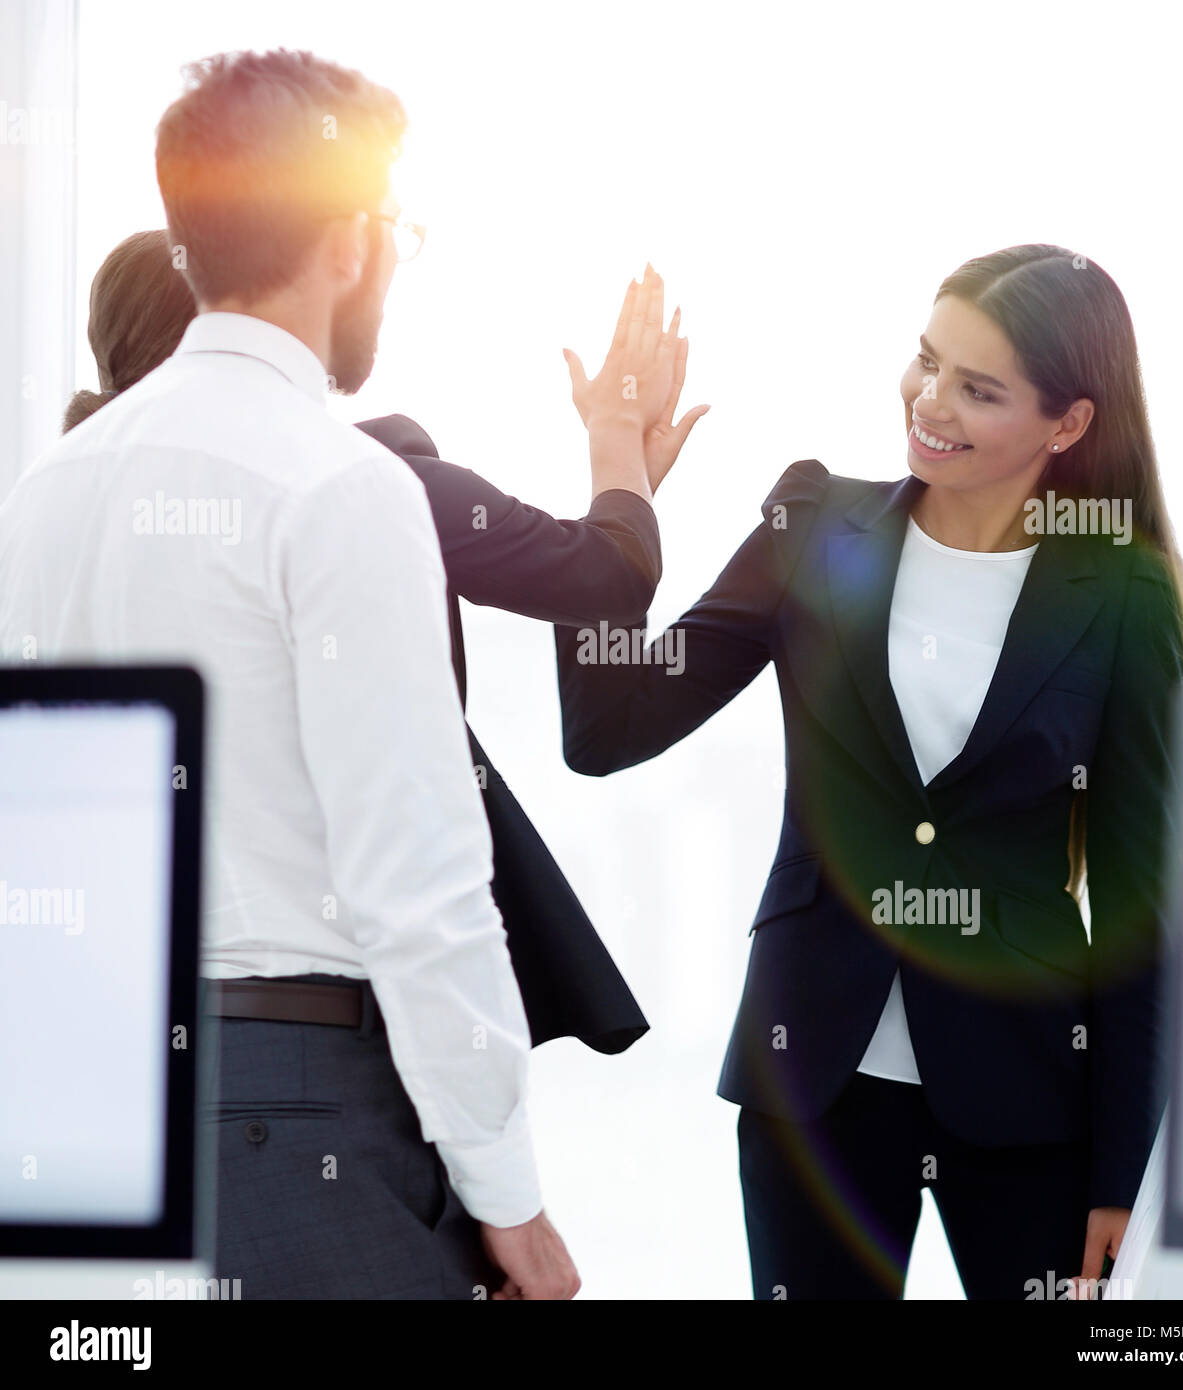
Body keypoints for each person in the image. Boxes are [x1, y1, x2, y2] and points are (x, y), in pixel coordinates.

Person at [0, 48, 674, 1300]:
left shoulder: (47, 495)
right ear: (352, 243)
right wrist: (507, 1193)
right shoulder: (339, 484)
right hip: (294, 1111)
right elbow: (417, 881)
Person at [554, 244, 1183, 1300]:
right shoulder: (812, 521)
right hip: (810, 1078)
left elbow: (1139, 911)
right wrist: (616, 473)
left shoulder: (1122, 593)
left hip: (1030, 1091)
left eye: (977, 388)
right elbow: (608, 725)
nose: (928, 400)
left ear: (1066, 423)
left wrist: (1122, 1176)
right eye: (925, 360)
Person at [62, 227, 706, 1057]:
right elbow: (608, 576)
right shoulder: (365, 480)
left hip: (130, 1007)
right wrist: (618, 444)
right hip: (346, 1018)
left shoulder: (78, 519)